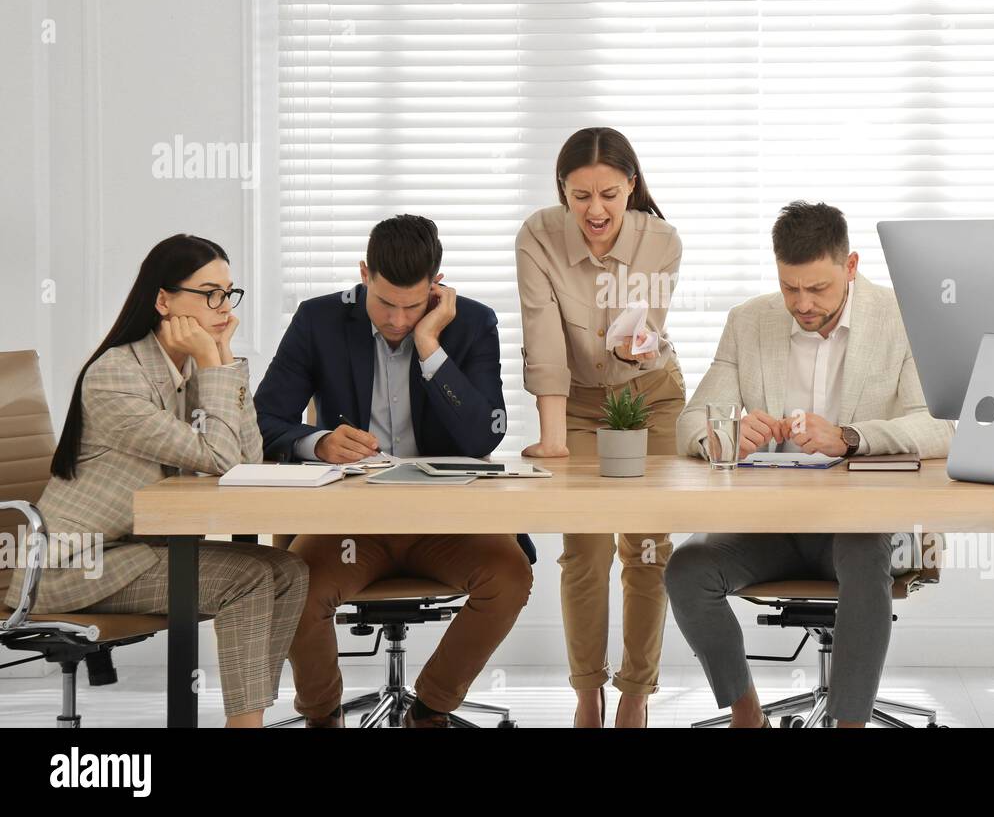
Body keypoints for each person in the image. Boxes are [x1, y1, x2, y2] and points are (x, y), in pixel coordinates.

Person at [667, 201, 953, 727]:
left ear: (851, 266)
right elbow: (689, 423)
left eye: (817, 289)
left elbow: (940, 426)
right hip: (767, 528)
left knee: (865, 555)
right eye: (789, 287)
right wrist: (725, 435)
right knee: (686, 570)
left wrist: (850, 438)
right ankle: (745, 711)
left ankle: (849, 722)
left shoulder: (902, 319)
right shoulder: (747, 322)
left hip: (860, 527)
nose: (802, 303)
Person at [3, 234, 308, 728]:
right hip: (74, 564)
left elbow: (249, 462)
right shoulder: (117, 375)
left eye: (229, 293)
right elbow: (223, 458)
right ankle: (244, 724)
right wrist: (216, 364)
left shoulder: (188, 370)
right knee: (250, 578)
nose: (223, 307)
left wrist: (221, 362)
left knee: (289, 570)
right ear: (164, 300)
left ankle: (249, 714)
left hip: (133, 553)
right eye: (209, 292)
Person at [255, 214, 534, 728]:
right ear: (365, 273)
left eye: (414, 306)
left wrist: (431, 346)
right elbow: (265, 418)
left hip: (446, 525)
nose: (398, 320)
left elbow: (482, 436)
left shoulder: (472, 324)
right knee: (293, 585)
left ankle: (430, 709)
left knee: (510, 575)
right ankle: (323, 715)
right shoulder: (318, 320)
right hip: (351, 528)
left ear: (437, 285)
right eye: (385, 303)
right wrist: (317, 442)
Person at [515, 127, 684, 727]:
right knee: (583, 551)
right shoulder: (538, 235)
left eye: (609, 194)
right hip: (579, 402)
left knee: (644, 548)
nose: (595, 210)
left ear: (631, 186)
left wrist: (641, 349)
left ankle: (635, 691)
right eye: (580, 195)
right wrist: (554, 437)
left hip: (651, 395)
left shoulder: (660, 240)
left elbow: (641, 335)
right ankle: (587, 690)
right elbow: (544, 337)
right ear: (561, 190)